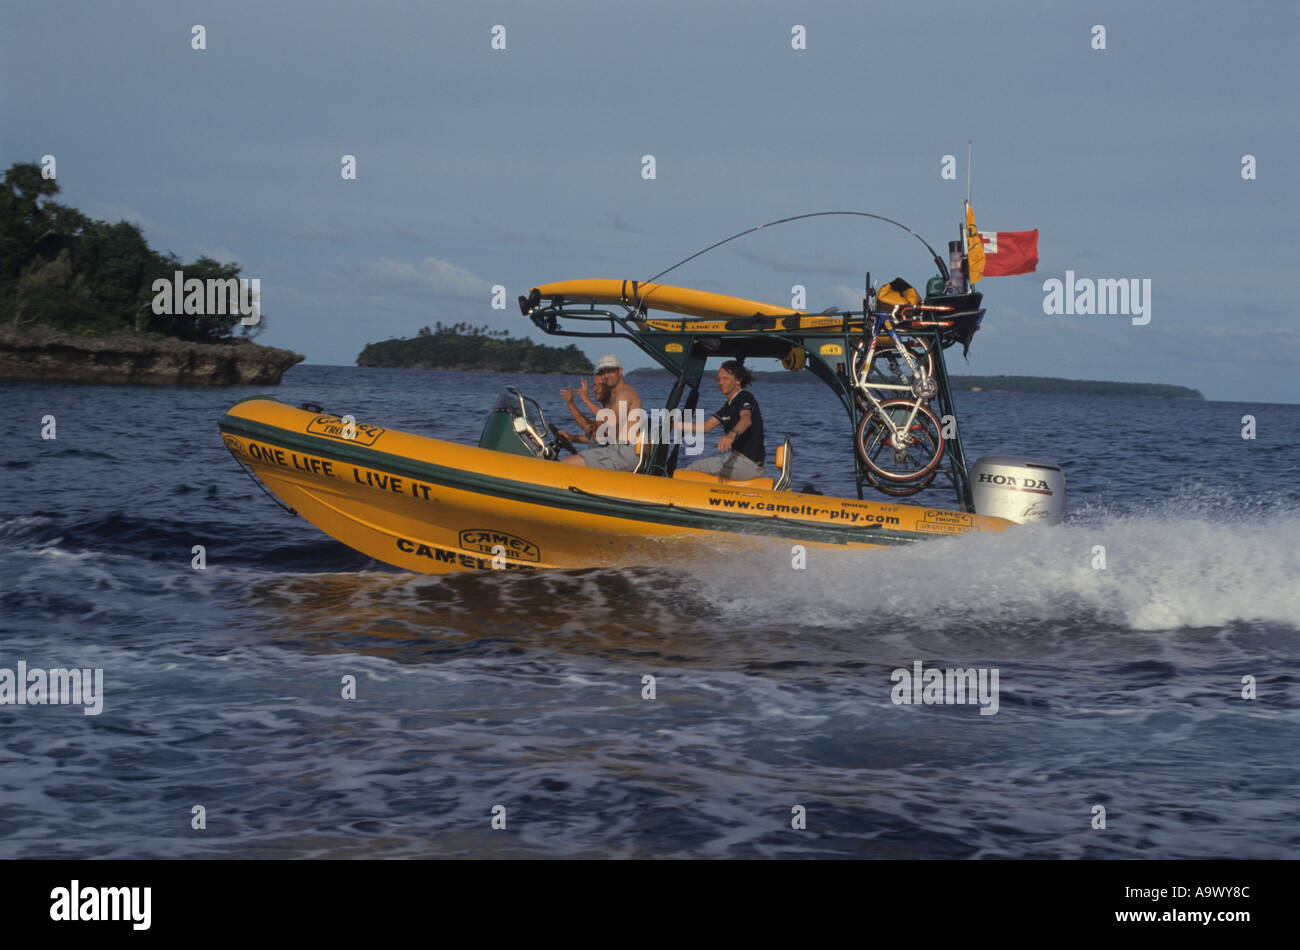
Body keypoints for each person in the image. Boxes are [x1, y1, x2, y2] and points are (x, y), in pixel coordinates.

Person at [679, 360, 765, 480]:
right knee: (701, 465)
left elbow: (746, 419)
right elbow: (706, 427)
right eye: (718, 379)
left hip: (747, 464)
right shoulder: (729, 405)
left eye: (725, 378)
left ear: (738, 381)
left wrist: (731, 435)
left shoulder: (744, 396)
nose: (720, 382)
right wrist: (673, 425)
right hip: (737, 460)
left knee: (694, 468)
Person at [561, 354, 643, 469]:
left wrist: (586, 400)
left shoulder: (624, 394)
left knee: (566, 464)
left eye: (610, 371)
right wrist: (573, 437)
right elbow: (597, 431)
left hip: (623, 454)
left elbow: (611, 422)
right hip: (618, 451)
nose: (606, 375)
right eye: (603, 372)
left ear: (620, 371)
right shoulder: (617, 396)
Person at [557, 374, 611, 446]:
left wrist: (586, 400)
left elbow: (610, 420)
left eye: (600, 384)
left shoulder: (618, 403)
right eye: (594, 384)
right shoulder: (604, 409)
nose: (596, 388)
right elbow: (590, 429)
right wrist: (570, 403)